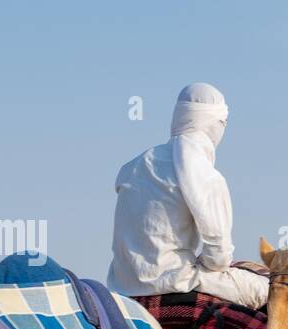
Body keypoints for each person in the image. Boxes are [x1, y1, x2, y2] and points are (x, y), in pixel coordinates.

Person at [107, 82, 268, 309]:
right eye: (223, 123)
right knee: (274, 292)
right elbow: (218, 257)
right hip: (175, 282)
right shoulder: (207, 176)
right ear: (214, 123)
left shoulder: (133, 166)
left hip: (123, 287)